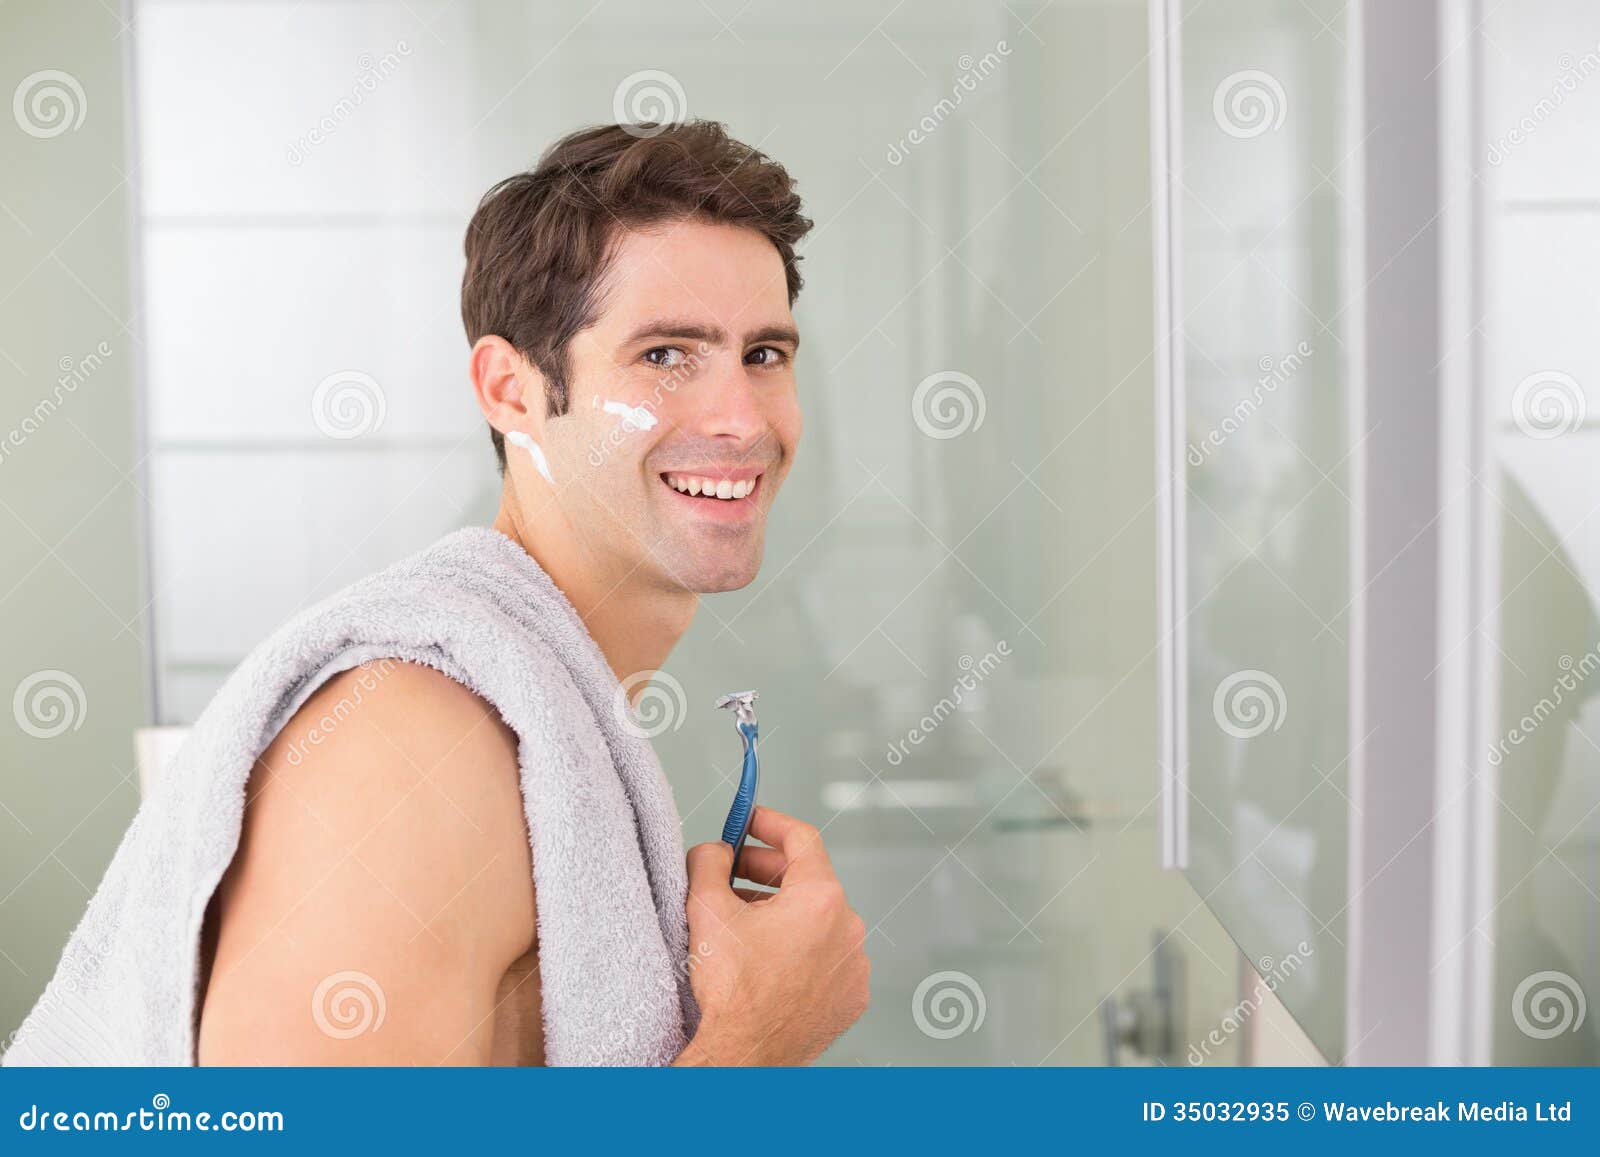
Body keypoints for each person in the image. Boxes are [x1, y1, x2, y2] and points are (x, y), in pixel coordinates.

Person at [194, 120, 869, 1065]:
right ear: (511, 391)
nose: (741, 419)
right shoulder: (409, 751)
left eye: (763, 354)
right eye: (665, 355)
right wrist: (758, 1038)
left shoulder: (562, 721)